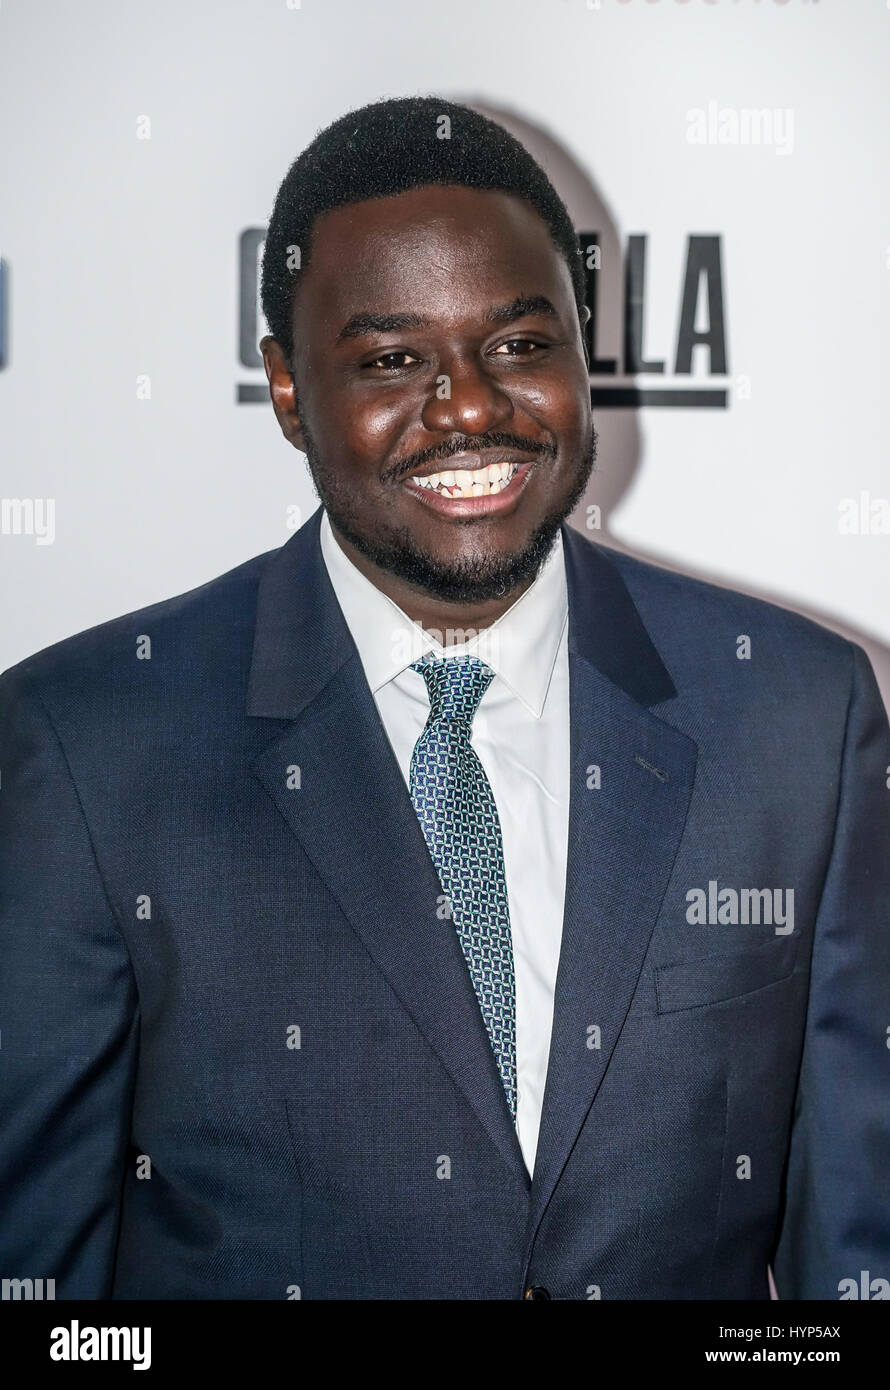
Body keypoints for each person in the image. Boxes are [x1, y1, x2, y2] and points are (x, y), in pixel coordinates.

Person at [1, 96, 887, 1301]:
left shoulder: (797, 716)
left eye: (520, 344)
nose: (470, 407)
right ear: (288, 389)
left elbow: (853, 1253)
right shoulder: (87, 745)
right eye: (388, 360)